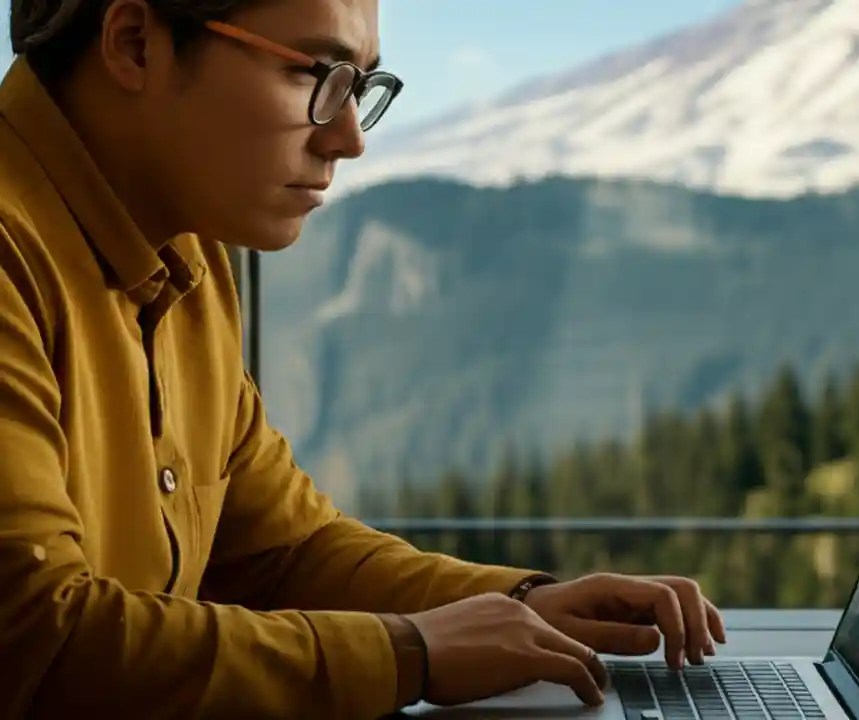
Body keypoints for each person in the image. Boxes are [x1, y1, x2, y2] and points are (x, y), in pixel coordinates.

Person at [0, 1, 728, 717]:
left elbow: (284, 550)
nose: (348, 139)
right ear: (134, 44)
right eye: (315, 74)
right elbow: (42, 642)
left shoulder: (186, 257)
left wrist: (524, 606)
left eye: (359, 87)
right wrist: (409, 655)